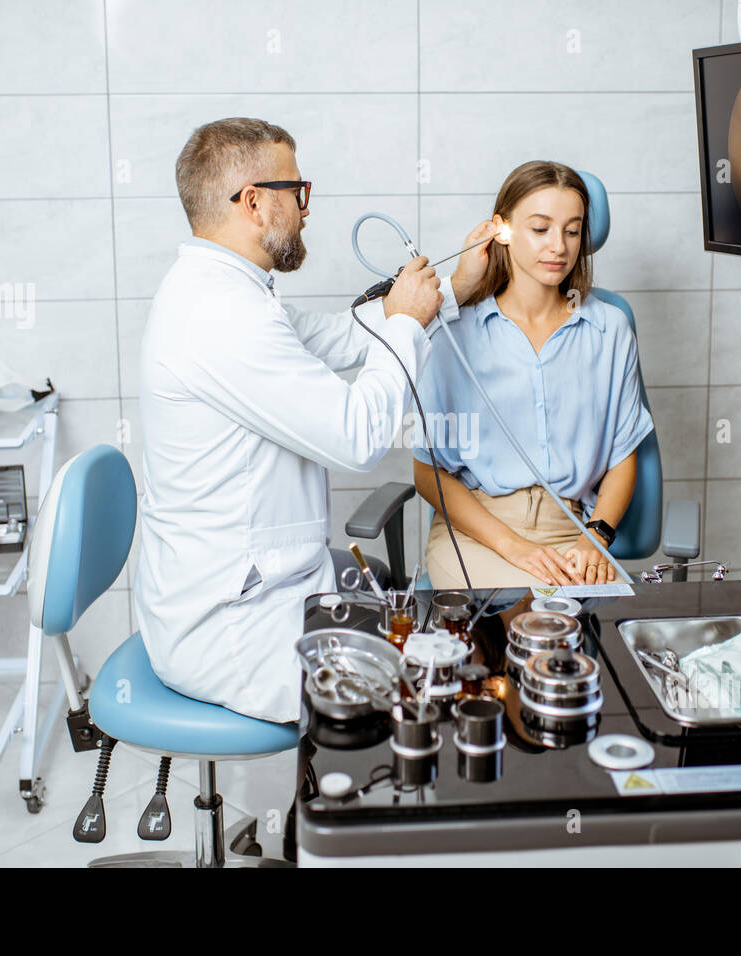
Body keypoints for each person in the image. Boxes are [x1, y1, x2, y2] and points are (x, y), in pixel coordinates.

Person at [133, 117, 491, 723]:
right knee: (424, 689)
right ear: (253, 202)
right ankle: (334, 814)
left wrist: (448, 292)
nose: (306, 209)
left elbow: (334, 336)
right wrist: (404, 322)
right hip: (233, 632)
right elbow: (358, 439)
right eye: (297, 193)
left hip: (247, 587)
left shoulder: (229, 292)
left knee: (406, 629)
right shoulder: (220, 316)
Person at [412, 161, 653, 589]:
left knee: (605, 637)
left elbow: (623, 455)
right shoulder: (455, 331)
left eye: (572, 230)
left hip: (574, 532)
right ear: (500, 230)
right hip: (481, 535)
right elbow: (428, 471)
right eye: (540, 228)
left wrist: (595, 537)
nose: (558, 246)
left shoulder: (610, 329)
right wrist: (513, 547)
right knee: (524, 618)